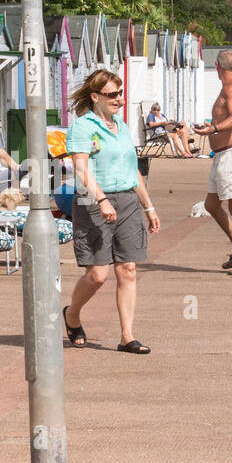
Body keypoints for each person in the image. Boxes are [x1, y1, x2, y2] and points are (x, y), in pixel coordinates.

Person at [62, 69, 160, 354]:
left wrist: (149, 206)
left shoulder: (122, 125)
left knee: (128, 269)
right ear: (95, 97)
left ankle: (127, 336)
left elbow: (133, 171)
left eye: (120, 93)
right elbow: (81, 167)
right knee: (97, 275)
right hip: (93, 203)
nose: (119, 99)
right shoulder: (83, 127)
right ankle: (72, 315)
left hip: (128, 202)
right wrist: (101, 199)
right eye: (112, 94)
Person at [194, 49, 232, 275]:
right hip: (222, 155)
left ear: (218, 67)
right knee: (211, 205)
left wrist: (213, 128)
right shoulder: (230, 88)